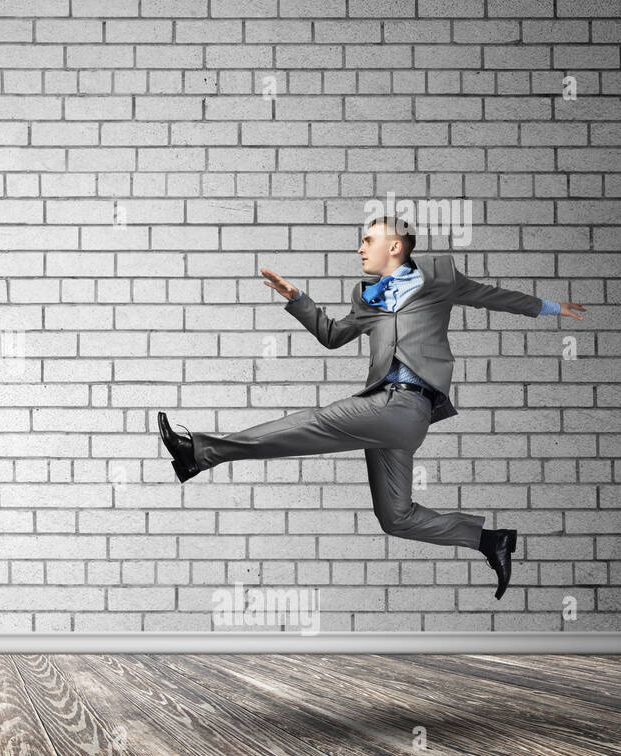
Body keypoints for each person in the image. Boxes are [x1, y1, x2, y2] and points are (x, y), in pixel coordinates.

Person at [158, 218, 586, 599]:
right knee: (396, 517)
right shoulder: (367, 297)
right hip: (385, 411)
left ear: (395, 246)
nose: (361, 248)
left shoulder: (440, 275)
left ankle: (199, 452)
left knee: (313, 422)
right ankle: (489, 540)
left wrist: (552, 307)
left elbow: (492, 297)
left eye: (368, 240)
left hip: (405, 405)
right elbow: (332, 334)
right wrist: (297, 298)